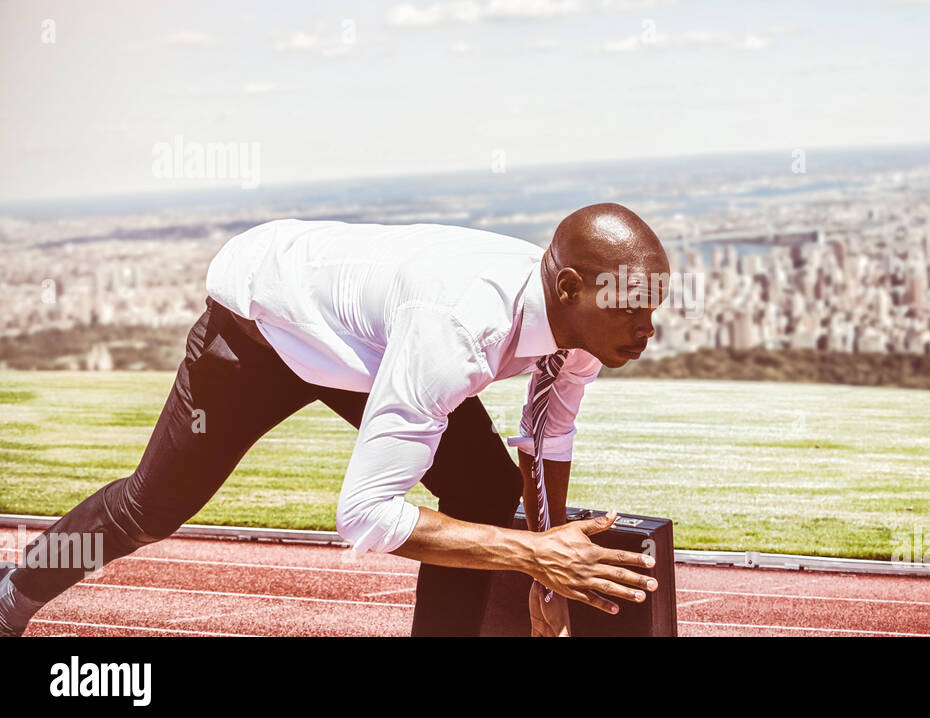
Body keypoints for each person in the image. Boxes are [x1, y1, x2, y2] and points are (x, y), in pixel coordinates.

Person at [0, 202, 670, 637]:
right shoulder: (457, 331)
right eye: (632, 309)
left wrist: (546, 571)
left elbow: (547, 434)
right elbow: (366, 517)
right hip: (259, 327)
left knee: (485, 491)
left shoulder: (585, 333)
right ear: (568, 290)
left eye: (655, 308)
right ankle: (13, 597)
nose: (647, 330)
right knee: (151, 507)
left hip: (371, 347)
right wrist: (532, 552)